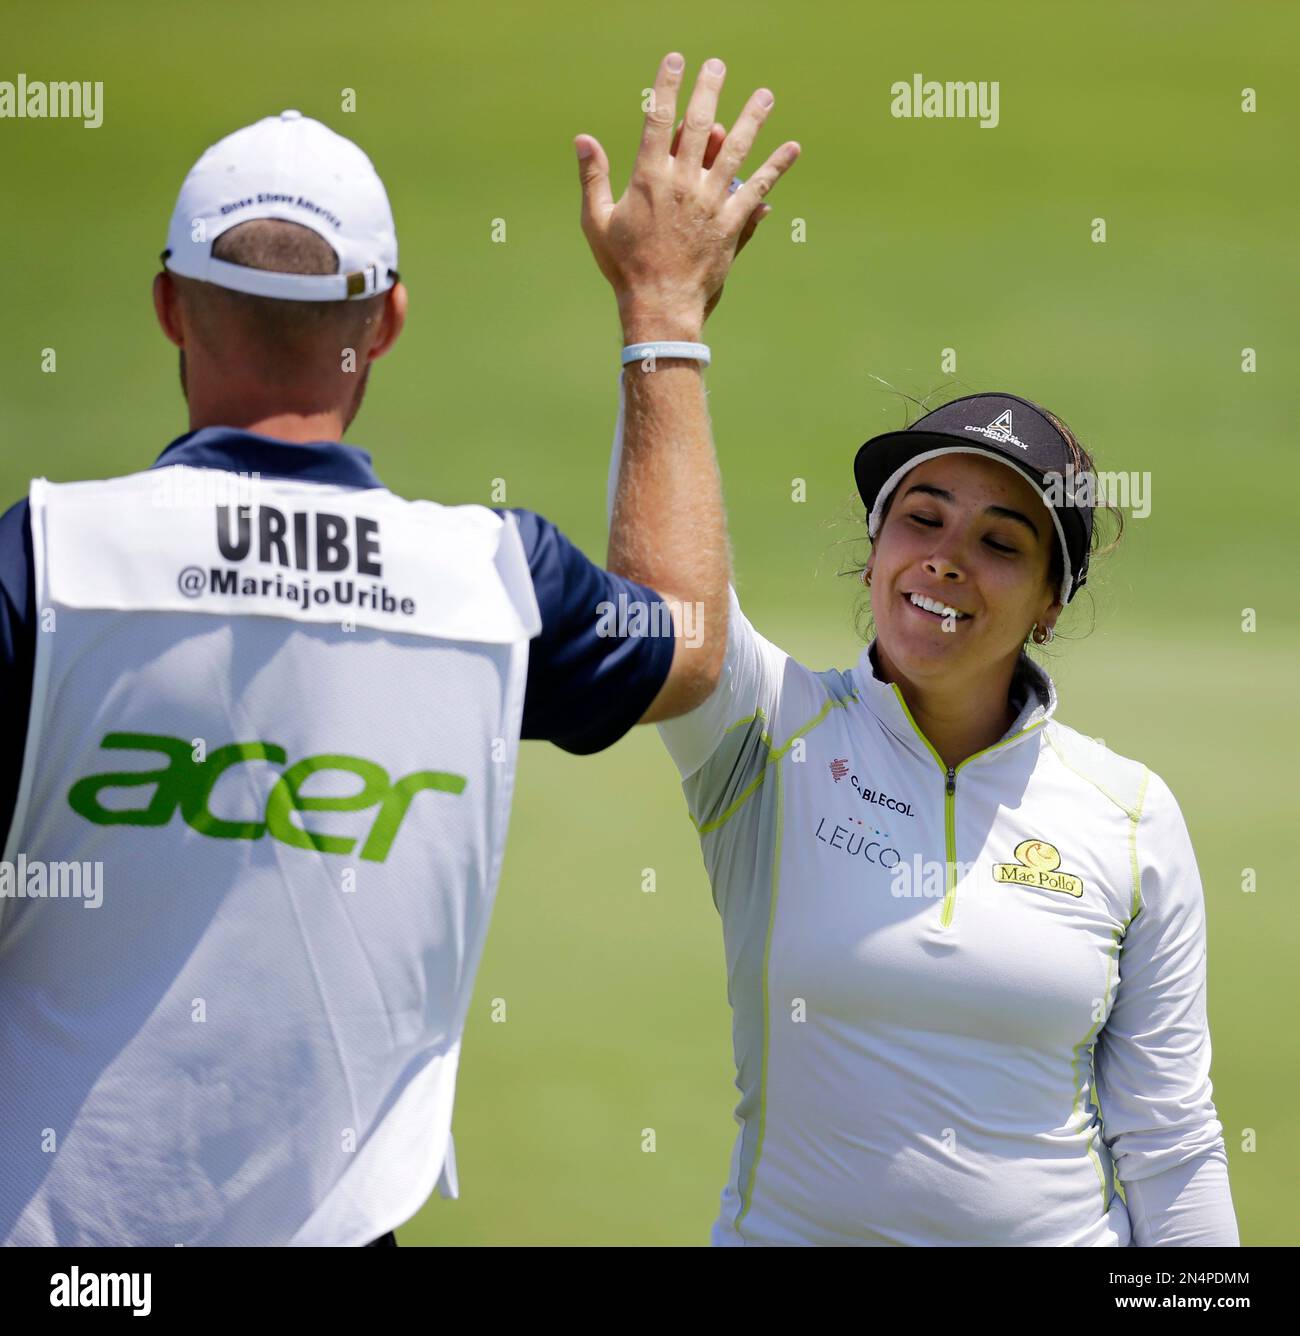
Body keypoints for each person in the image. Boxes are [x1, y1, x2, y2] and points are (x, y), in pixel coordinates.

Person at [0, 53, 798, 1246]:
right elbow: (688, 641)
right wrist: (662, 310)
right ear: (384, 323)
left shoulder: (45, 559)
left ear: (170, 304)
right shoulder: (489, 580)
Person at [604, 387, 1239, 1246]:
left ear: (1050, 604)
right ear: (873, 552)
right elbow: (664, 603)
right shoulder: (770, 729)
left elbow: (1170, 1140)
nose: (946, 560)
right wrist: (660, 320)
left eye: (1000, 542)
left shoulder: (1129, 815)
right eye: (922, 518)